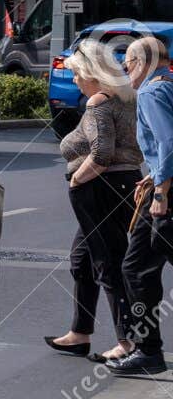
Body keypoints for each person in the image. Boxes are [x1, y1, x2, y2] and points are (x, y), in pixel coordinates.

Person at [44, 39, 142, 362]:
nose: (74, 81)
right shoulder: (126, 98)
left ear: (91, 72)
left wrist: (77, 177)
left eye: (76, 74)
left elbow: (101, 153)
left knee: (107, 261)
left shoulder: (99, 103)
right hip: (122, 184)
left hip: (101, 187)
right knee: (82, 259)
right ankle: (80, 332)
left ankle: (127, 341)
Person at [112, 34, 173, 377]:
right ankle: (148, 349)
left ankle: (149, 351)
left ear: (145, 63)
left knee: (136, 269)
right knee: (140, 267)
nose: (126, 72)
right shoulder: (168, 84)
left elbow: (168, 141)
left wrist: (161, 191)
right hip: (161, 184)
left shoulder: (151, 91)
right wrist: (153, 178)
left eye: (128, 64)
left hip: (167, 193)